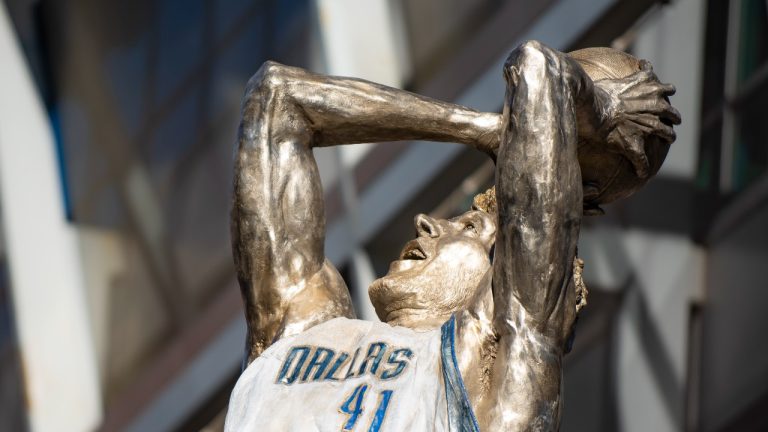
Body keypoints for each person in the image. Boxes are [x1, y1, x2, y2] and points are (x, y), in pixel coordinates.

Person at [225, 40, 680, 431]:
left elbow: (538, 69)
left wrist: (597, 111)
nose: (427, 222)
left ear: (497, 276)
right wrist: (480, 129)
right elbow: (276, 97)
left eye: (467, 228)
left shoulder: (492, 376)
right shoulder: (300, 329)